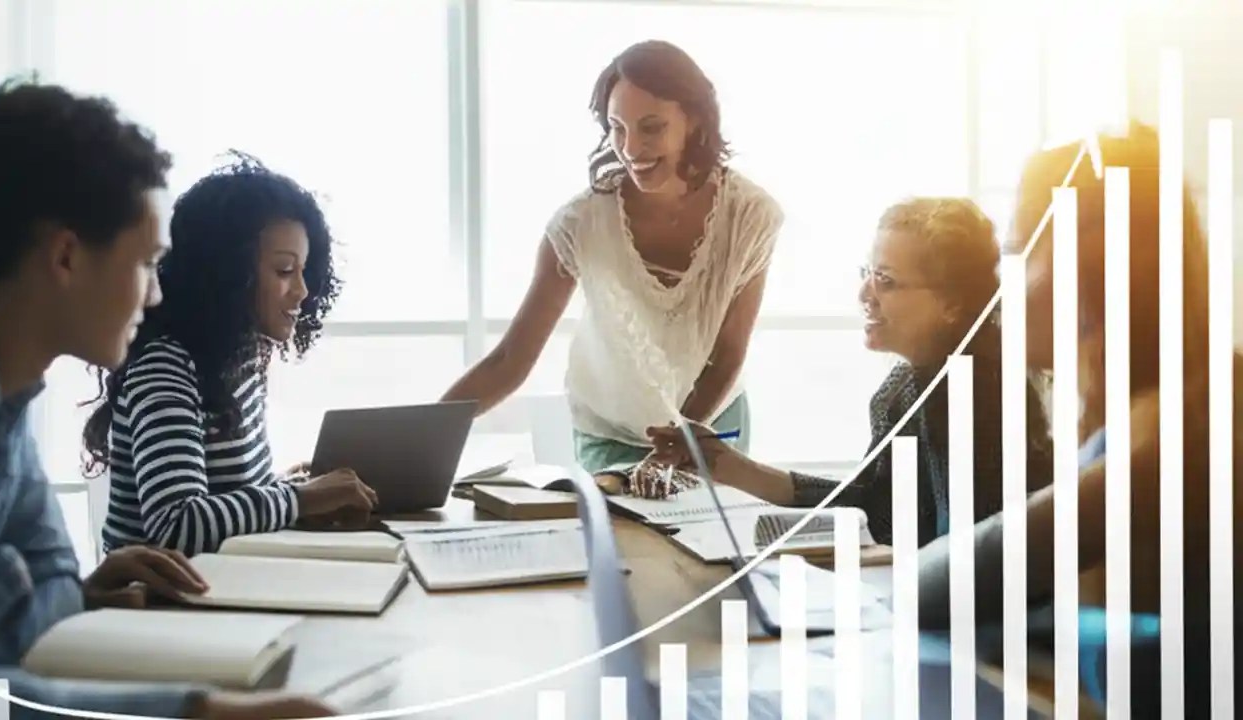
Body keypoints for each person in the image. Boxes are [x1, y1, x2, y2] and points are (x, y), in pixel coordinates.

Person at [0, 79, 332, 718]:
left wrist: (80, 596)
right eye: (145, 264)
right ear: (67, 257)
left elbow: (21, 618)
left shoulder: (7, 404)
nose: (157, 294)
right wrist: (193, 714)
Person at [915, 124, 1241, 716]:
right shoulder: (1178, 402)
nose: (999, 289)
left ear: (1084, 266)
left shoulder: (1177, 430)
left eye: (1017, 254)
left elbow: (938, 588)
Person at [441, 40, 784, 493]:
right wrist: (428, 433)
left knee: (706, 552)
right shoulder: (579, 223)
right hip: (610, 431)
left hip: (709, 420)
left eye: (651, 128)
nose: (630, 148)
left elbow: (727, 355)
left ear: (695, 119)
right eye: (617, 128)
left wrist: (680, 442)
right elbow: (510, 359)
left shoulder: (750, 215)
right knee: (622, 548)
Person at [649, 198, 1053, 545]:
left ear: (951, 303)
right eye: (868, 274)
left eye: (887, 281)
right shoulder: (905, 387)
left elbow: (967, 555)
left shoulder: (978, 396)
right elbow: (869, 502)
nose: (865, 294)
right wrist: (730, 466)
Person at [83, 153, 378, 558]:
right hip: (158, 608)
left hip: (224, 591)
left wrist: (287, 490)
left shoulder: (239, 360)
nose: (303, 292)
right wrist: (301, 501)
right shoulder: (165, 366)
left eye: (304, 271)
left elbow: (225, 499)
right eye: (284, 271)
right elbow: (177, 524)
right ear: (226, 273)